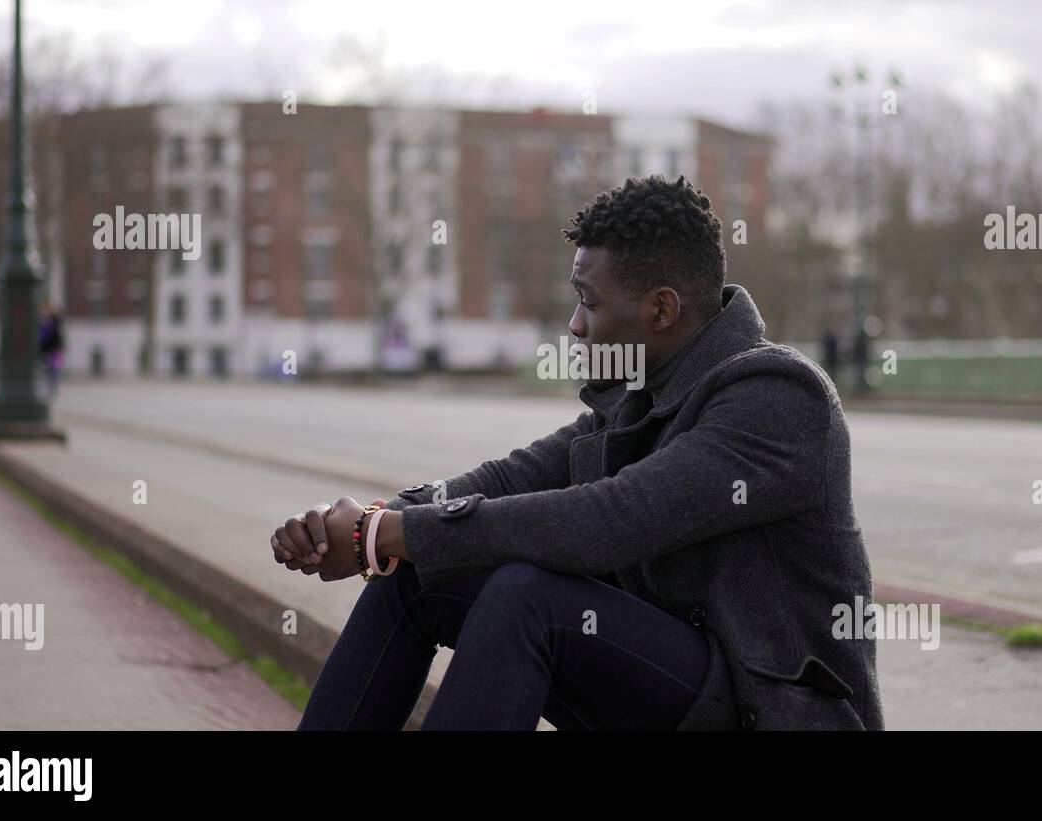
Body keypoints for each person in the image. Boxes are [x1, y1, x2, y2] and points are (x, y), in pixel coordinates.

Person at [271, 174, 883, 731]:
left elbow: (612, 519)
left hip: (775, 715)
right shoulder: (639, 397)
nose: (574, 325)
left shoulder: (777, 397)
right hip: (697, 702)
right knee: (418, 576)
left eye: (588, 301)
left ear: (661, 309)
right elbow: (516, 477)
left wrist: (384, 532)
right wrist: (369, 526)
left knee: (525, 597)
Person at [38, 302, 65, 399]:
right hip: (46, 352)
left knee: (54, 371)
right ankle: (50, 390)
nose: (45, 314)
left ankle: (53, 390)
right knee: (47, 372)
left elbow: (56, 337)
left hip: (54, 351)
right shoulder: (43, 325)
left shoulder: (54, 323)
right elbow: (41, 339)